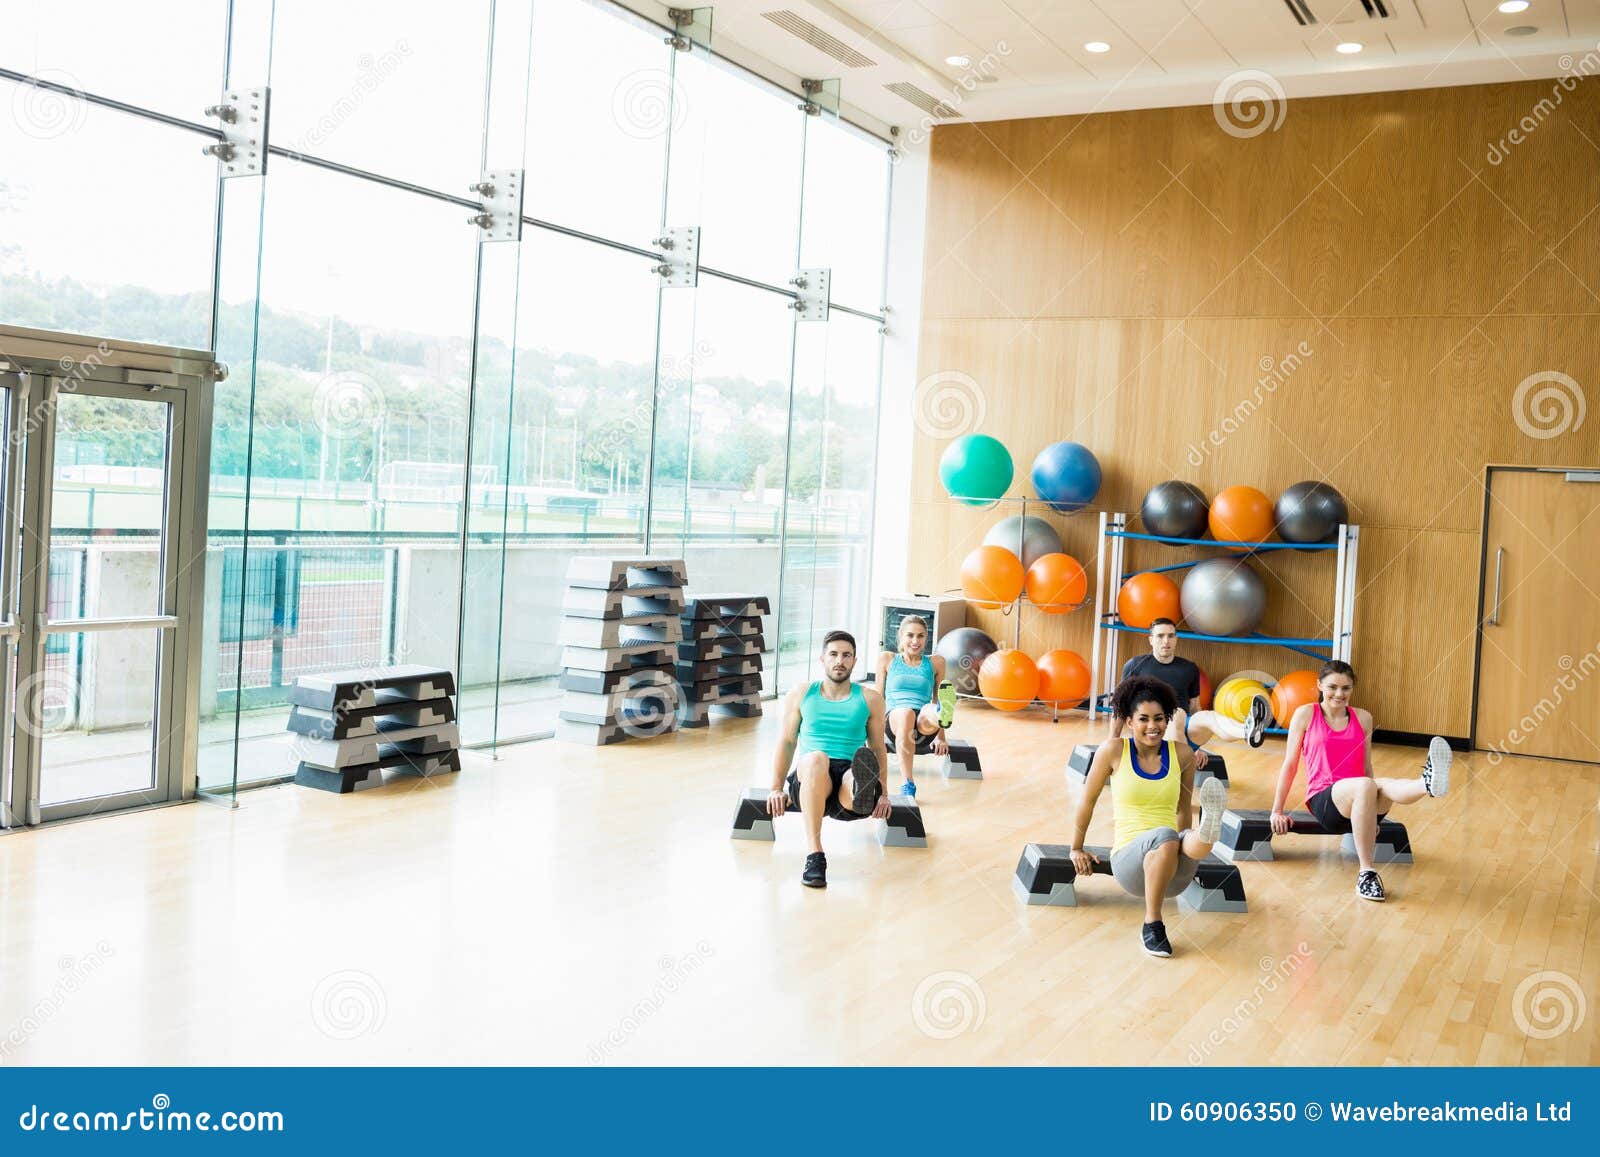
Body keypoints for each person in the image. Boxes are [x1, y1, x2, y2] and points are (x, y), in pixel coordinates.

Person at [1069, 675, 1229, 957]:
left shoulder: (1182, 754)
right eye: (1143, 719)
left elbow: (1182, 808)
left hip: (1173, 874)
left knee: (1185, 838)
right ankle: (1152, 924)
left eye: (1159, 718)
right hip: (1130, 865)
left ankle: (1207, 832)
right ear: (1130, 722)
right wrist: (1076, 847)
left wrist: (1184, 845)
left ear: (1167, 720)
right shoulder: (1113, 751)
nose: (1153, 726)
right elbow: (1088, 801)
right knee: (1167, 836)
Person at [1267, 660, 1452, 902]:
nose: (1339, 694)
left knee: (1381, 784)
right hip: (1325, 801)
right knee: (1366, 785)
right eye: (1332, 687)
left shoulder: (1363, 718)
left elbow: (1366, 766)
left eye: (1346, 688)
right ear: (1320, 685)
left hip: (1359, 798)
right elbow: (1290, 765)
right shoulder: (1306, 714)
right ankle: (1367, 872)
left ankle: (1425, 783)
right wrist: (1276, 811)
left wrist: (1369, 812)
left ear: (1353, 689)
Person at [767, 630, 891, 888]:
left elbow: (878, 749)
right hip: (811, 777)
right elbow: (787, 741)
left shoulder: (870, 699)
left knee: (854, 774)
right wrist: (776, 788)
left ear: (855, 661)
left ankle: (863, 788)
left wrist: (884, 793)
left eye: (847, 655)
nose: (840, 661)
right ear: (822, 659)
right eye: (833, 654)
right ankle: (815, 855)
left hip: (848, 775)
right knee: (816, 759)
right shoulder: (802, 694)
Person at [1118, 618, 1269, 770]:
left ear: (1176, 639)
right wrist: (1112, 741)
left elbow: (1195, 706)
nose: (1166, 641)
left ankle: (1246, 730)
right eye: (1160, 636)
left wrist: (1198, 747)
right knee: (1175, 715)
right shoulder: (1135, 665)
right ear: (1151, 640)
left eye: (1171, 636)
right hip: (1150, 731)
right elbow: (1119, 706)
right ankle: (1182, 765)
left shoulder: (1188, 668)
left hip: (1184, 728)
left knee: (1208, 717)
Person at [874, 615, 957, 797]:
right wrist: (874, 735)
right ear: (901, 636)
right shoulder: (888, 659)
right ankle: (908, 782)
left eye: (920, 636)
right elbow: (878, 698)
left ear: (926, 638)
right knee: (906, 714)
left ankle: (941, 718)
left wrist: (941, 738)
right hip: (895, 720)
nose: (915, 641)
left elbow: (937, 698)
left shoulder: (936, 662)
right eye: (910, 635)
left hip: (923, 725)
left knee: (929, 709)